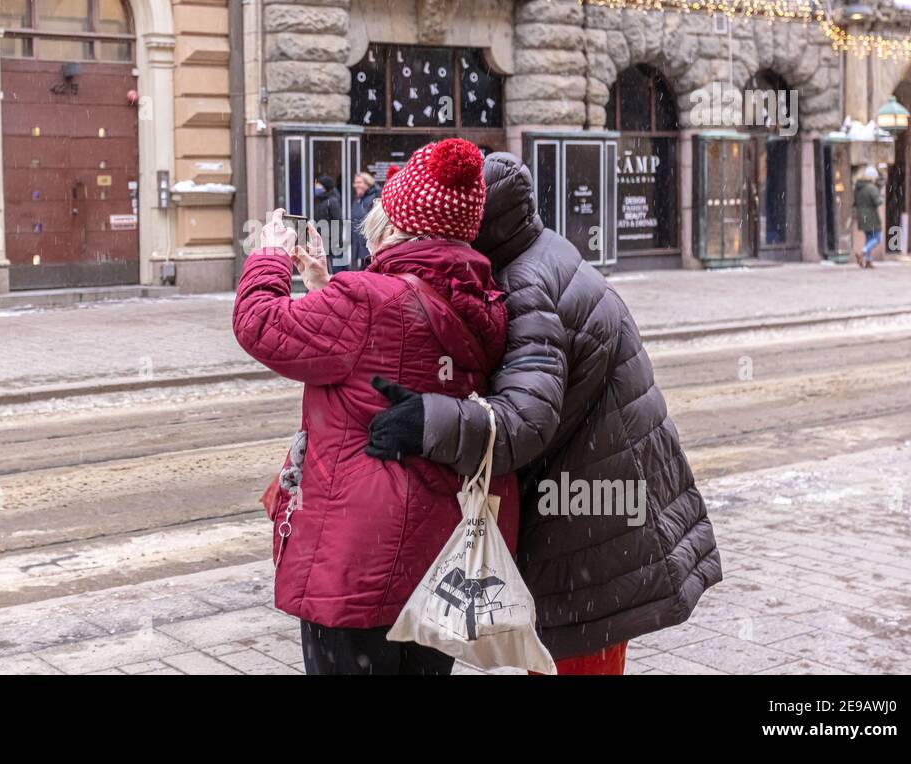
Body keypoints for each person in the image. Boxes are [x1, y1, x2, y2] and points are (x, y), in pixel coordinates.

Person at [364, 152, 722, 675]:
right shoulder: (540, 250)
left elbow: (525, 420)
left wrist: (427, 419)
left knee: (574, 665)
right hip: (603, 509)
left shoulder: (524, 286)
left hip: (585, 530)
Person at [233, 139, 510, 675]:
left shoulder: (365, 299)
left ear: (397, 224)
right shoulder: (481, 296)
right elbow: (397, 347)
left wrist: (269, 257)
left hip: (358, 556)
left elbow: (260, 324)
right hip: (436, 551)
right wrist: (325, 287)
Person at [348, 171, 380, 269]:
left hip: (369, 242)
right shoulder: (359, 199)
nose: (356, 185)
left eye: (359, 182)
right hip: (360, 241)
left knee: (368, 268)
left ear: (368, 183)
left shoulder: (375, 197)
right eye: (355, 183)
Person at [855, 165, 883, 269]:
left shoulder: (858, 187)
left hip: (862, 217)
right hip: (871, 217)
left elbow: (855, 202)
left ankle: (868, 262)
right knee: (877, 238)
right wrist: (882, 198)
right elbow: (878, 201)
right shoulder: (871, 188)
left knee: (869, 238)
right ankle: (863, 252)